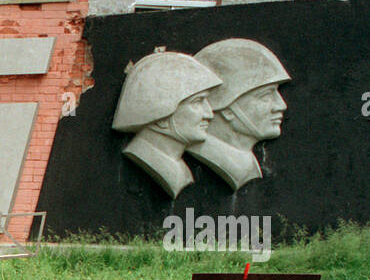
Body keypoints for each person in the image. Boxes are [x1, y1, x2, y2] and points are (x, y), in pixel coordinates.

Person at [112, 51, 221, 198]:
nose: (209, 114)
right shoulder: (153, 161)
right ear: (160, 114)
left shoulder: (178, 168)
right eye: (197, 102)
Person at [187, 38, 291, 191]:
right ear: (227, 108)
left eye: (277, 92)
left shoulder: (244, 161)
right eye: (266, 96)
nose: (281, 105)